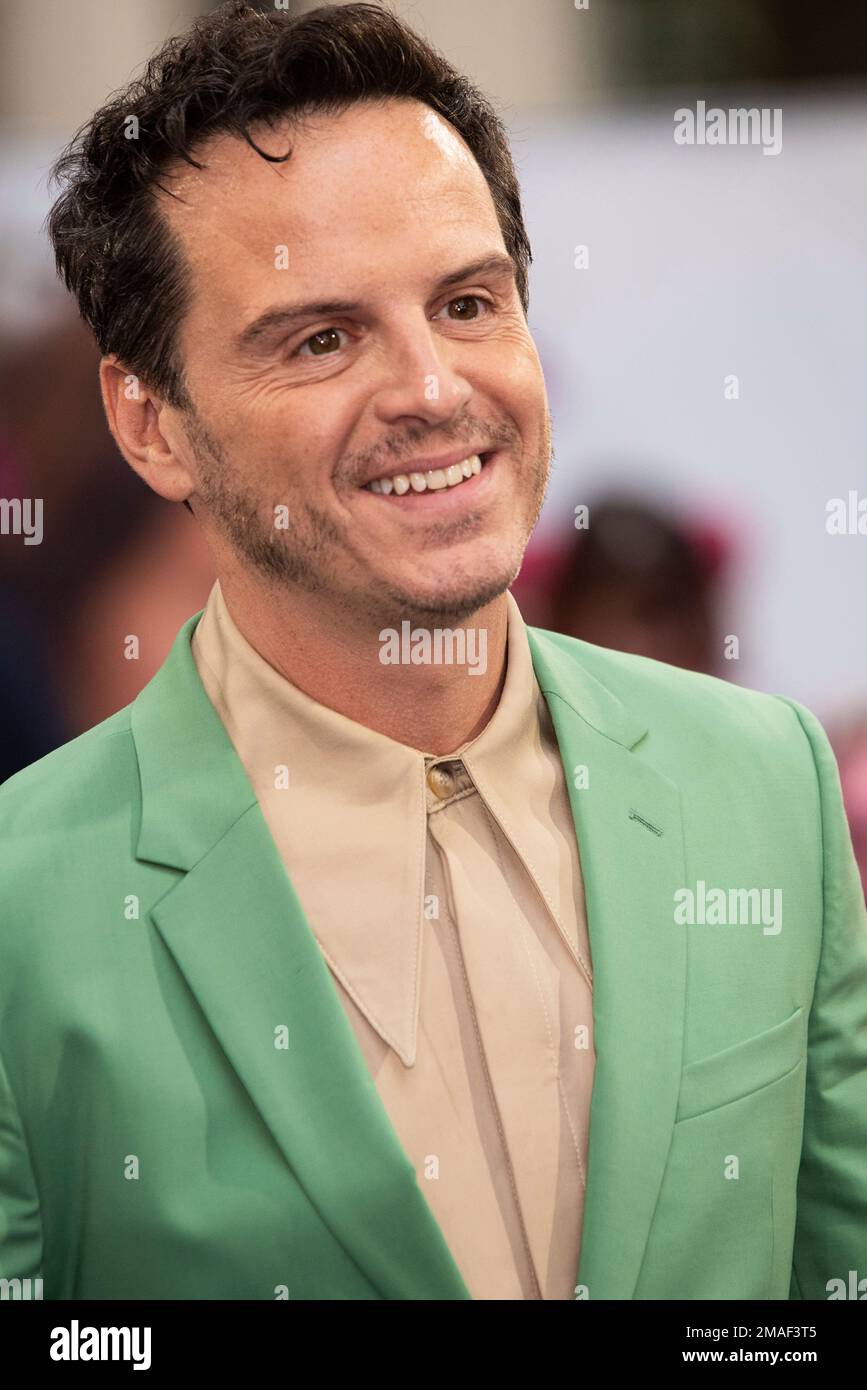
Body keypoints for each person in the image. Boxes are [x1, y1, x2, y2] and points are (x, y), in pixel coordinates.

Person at [1, 0, 865, 1302]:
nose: (430, 388)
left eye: (469, 302)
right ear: (151, 422)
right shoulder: (26, 901)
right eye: (322, 337)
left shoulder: (765, 782)